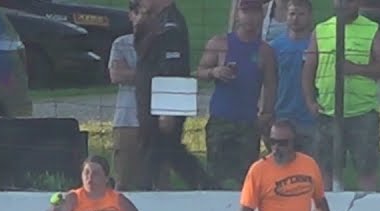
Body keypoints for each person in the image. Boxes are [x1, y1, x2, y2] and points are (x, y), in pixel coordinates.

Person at [302, 0, 380, 192]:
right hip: (327, 112)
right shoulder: (321, 30)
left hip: (362, 114)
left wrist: (356, 69)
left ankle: (367, 204)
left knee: (366, 168)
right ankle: (327, 205)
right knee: (325, 168)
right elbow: (308, 69)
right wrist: (310, 101)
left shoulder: (371, 30)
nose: (344, 4)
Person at [134, 0, 215, 190]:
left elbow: (173, 68)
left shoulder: (171, 24)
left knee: (158, 151)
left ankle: (206, 186)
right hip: (153, 104)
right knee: (168, 151)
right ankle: (206, 186)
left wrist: (167, 111)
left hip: (162, 107)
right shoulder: (157, 21)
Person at [198, 0, 277, 187]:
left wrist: (266, 113)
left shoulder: (265, 51)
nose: (250, 18)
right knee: (215, 177)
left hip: (248, 123)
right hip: (221, 120)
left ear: (262, 15)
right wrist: (214, 72)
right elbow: (199, 72)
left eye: (255, 12)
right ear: (238, 15)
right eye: (245, 12)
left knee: (247, 179)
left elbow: (271, 85)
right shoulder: (220, 43)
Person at [269, 0, 319, 156]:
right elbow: (268, 83)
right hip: (282, 116)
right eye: (292, 14)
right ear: (286, 15)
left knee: (311, 164)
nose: (296, 18)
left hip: (310, 118)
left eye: (301, 14)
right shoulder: (274, 47)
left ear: (310, 16)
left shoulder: (318, 45)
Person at [108, 1, 145, 189]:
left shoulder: (165, 44)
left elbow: (171, 74)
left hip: (157, 120)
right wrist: (151, 74)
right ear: (131, 15)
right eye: (138, 13)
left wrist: (133, 74)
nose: (143, 18)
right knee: (123, 178)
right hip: (126, 119)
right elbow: (116, 75)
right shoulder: (121, 43)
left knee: (158, 179)